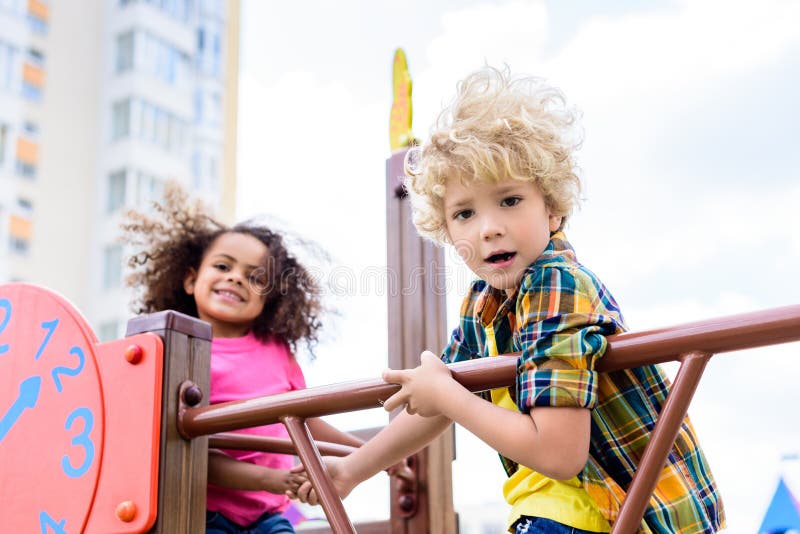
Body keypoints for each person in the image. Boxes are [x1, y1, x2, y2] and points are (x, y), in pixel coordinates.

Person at [292, 66, 725, 533]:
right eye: (464, 212)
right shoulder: (484, 302)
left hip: (621, 512)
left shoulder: (556, 284)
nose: (488, 227)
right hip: (562, 512)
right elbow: (440, 397)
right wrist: (353, 470)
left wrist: (446, 396)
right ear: (447, 229)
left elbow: (558, 453)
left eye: (510, 201)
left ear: (553, 208)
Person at [122, 186, 363, 534]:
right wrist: (272, 478)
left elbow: (306, 418)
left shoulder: (276, 351)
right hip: (201, 516)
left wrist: (372, 454)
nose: (236, 277)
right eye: (222, 266)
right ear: (191, 280)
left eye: (255, 277)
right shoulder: (177, 351)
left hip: (268, 516)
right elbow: (191, 454)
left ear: (271, 297)